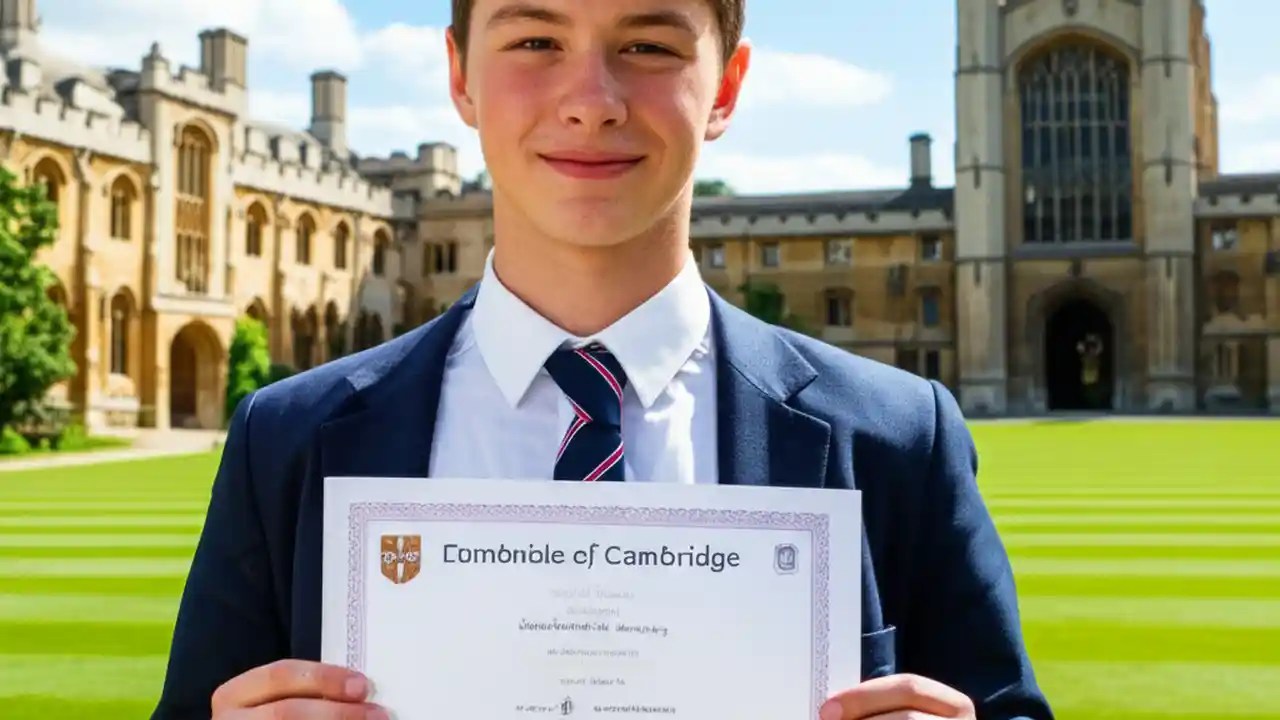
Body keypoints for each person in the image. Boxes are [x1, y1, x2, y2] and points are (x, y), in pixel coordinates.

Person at [151, 1, 1055, 718]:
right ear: (460, 76)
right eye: (537, 37)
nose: (592, 98)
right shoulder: (289, 438)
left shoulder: (899, 436)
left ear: (728, 86)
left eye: (650, 45)